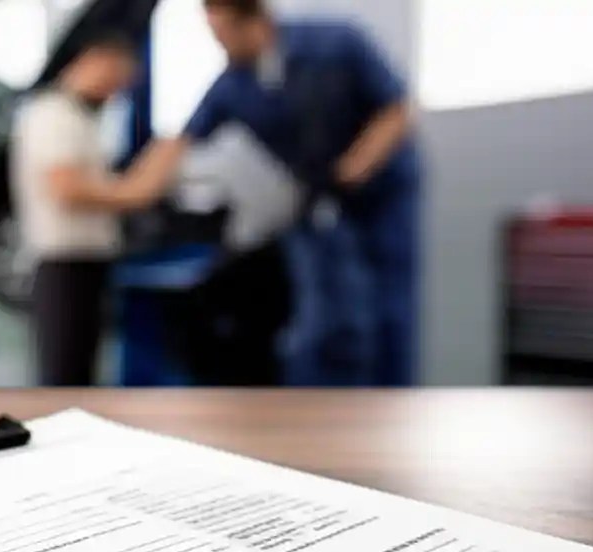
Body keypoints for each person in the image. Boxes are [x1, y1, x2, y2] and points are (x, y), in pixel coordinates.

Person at [139, 0, 421, 386]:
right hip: (311, 202)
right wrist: (130, 191)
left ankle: (391, 401)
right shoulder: (233, 83)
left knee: (388, 308)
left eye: (221, 33)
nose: (218, 44)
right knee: (321, 313)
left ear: (253, 19)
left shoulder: (337, 42)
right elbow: (180, 141)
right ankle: (323, 404)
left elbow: (396, 110)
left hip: (380, 195)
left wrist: (350, 171)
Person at [11, 32, 176, 386]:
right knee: (64, 377)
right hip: (63, 264)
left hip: (88, 261)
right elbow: (67, 189)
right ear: (94, 60)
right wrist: (137, 190)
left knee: (82, 373)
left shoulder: (80, 117)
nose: (119, 88)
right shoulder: (53, 115)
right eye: (119, 75)